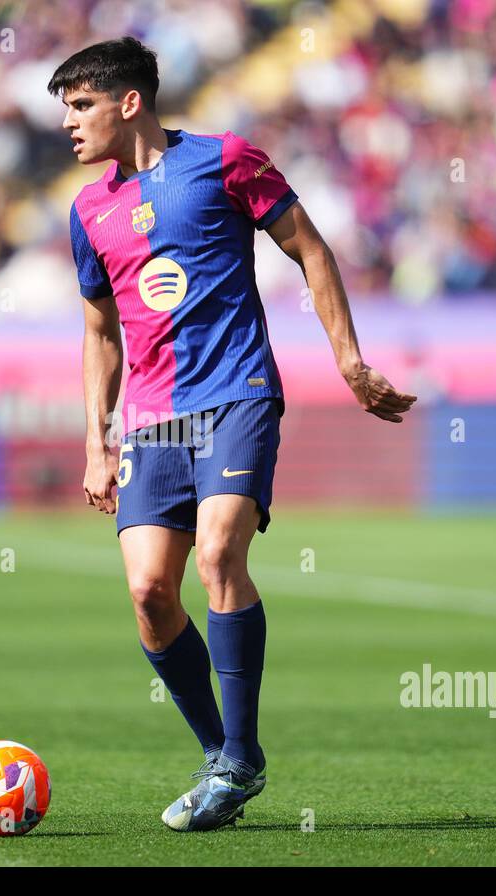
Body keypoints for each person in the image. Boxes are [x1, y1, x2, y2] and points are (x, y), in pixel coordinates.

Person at [49, 36, 417, 831]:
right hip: (151, 420)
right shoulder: (88, 211)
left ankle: (237, 751)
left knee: (218, 553)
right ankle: (230, 759)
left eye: (80, 106)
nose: (68, 125)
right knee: (150, 592)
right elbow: (100, 333)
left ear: (129, 102)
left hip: (237, 393)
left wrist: (350, 362)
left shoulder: (227, 160)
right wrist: (95, 438)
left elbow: (310, 248)